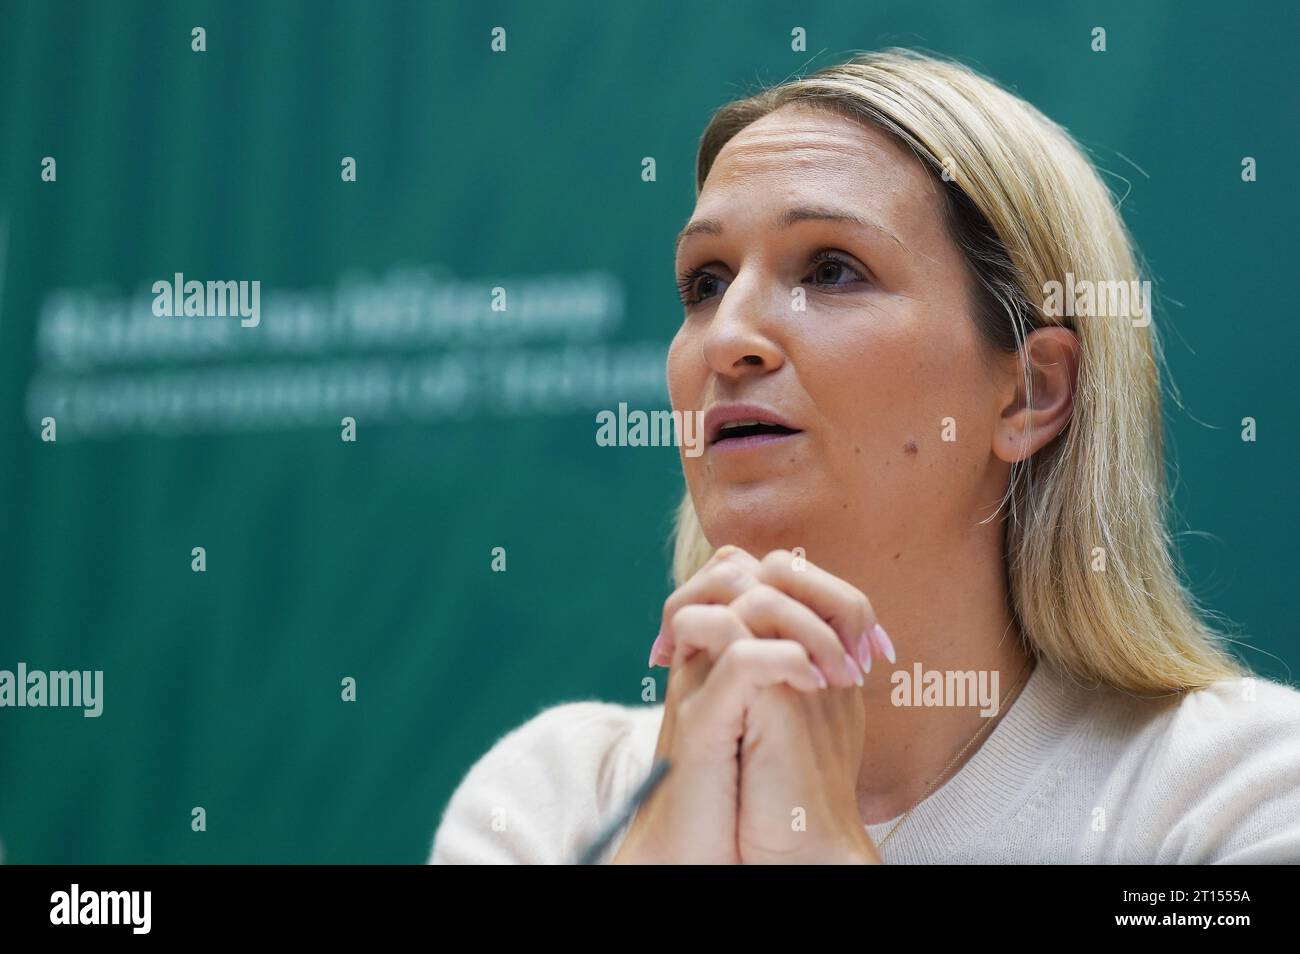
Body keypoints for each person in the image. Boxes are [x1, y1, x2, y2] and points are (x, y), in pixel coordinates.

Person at [429, 49, 1300, 864]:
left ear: (1032, 392)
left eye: (832, 271)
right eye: (706, 281)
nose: (729, 337)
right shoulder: (552, 799)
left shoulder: (1238, 793)